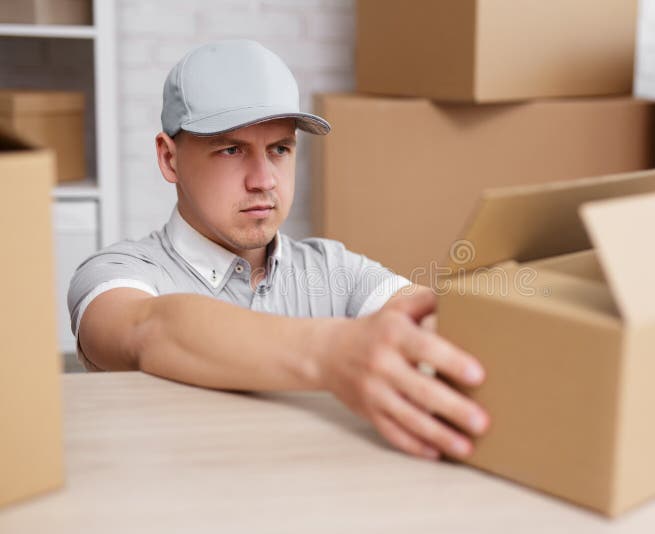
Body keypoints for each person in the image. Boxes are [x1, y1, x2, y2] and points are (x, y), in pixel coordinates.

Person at [68, 40, 489, 461]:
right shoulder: (116, 273)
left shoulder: (333, 269)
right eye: (231, 150)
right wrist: (332, 354)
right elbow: (150, 330)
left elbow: (436, 322)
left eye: (279, 149)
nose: (263, 180)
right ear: (169, 158)